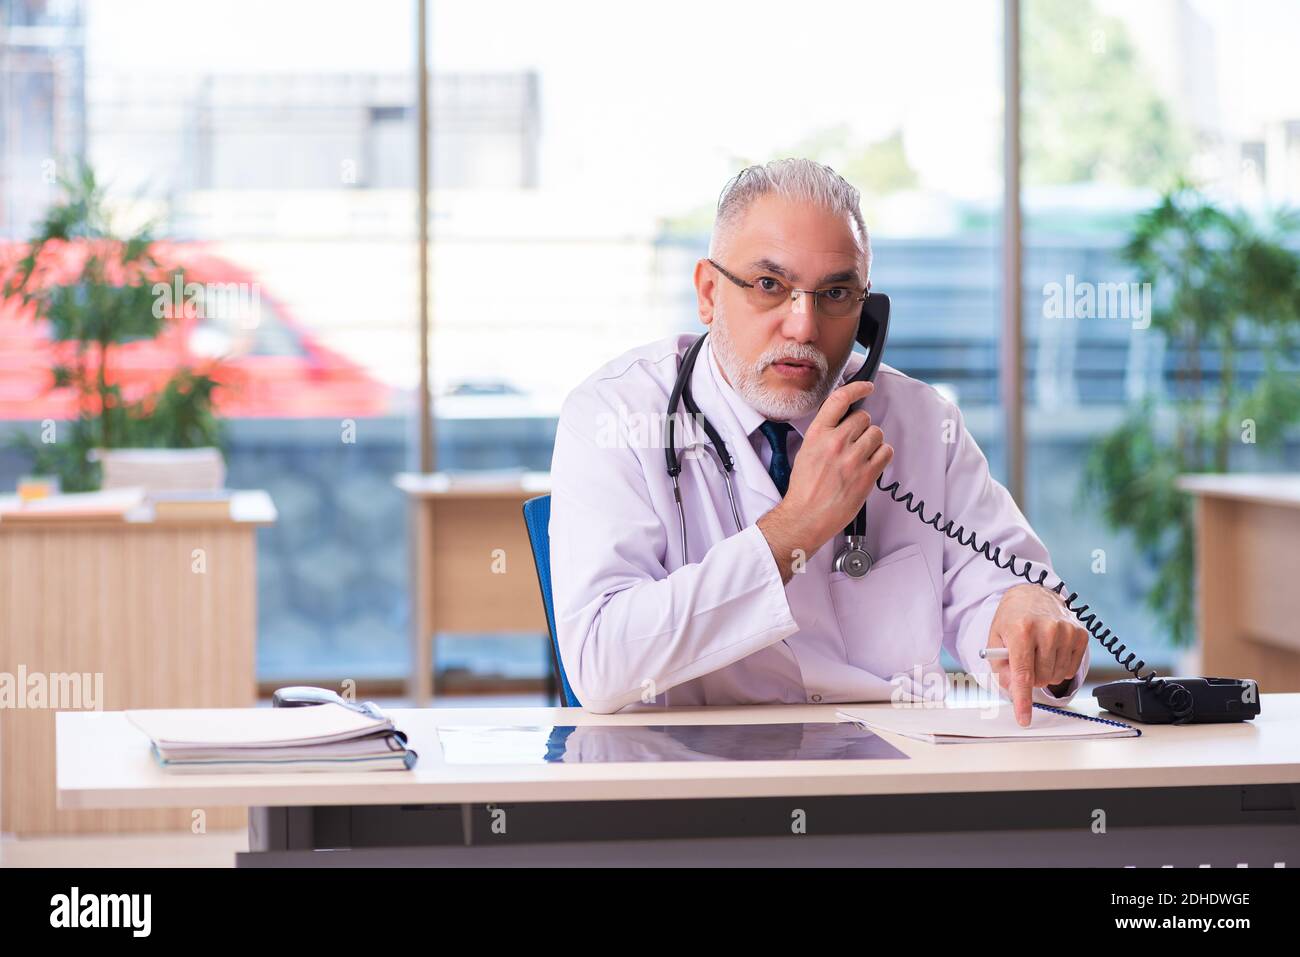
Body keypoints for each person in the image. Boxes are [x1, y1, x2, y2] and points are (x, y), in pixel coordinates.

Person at [549, 158, 1088, 721]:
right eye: (768, 286)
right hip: (689, 775)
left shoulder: (922, 424)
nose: (804, 326)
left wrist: (1027, 616)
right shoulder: (616, 416)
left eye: (835, 294)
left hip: (891, 773)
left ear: (867, 312)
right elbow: (599, 663)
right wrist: (796, 527)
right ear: (708, 292)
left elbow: (1003, 599)